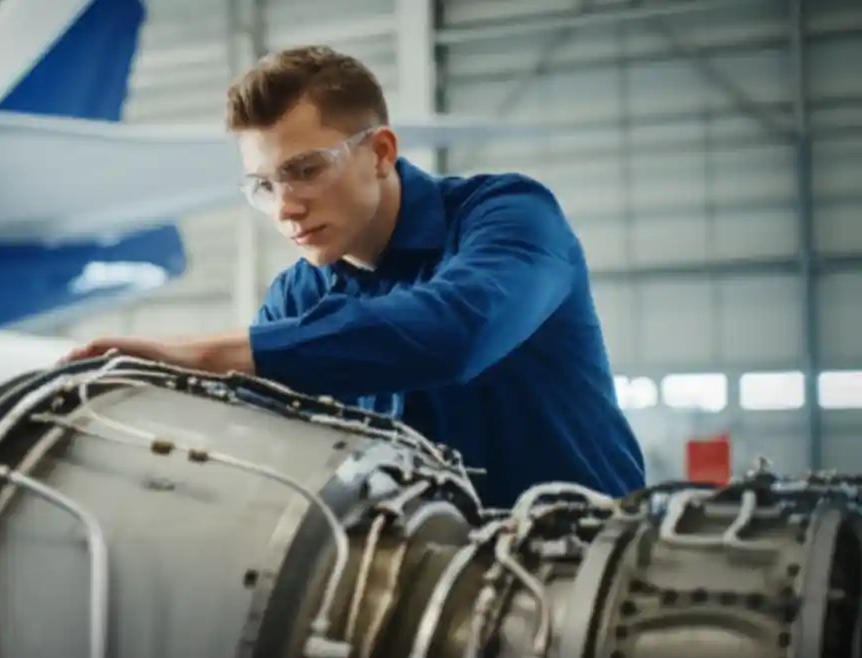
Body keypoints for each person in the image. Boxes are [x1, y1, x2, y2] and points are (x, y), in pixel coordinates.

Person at [63, 45, 645, 507]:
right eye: (263, 186)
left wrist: (201, 353)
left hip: (585, 566)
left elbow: (454, 333)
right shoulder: (298, 295)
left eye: (304, 171)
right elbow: (259, 431)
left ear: (381, 152)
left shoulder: (509, 215)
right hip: (412, 592)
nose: (284, 208)